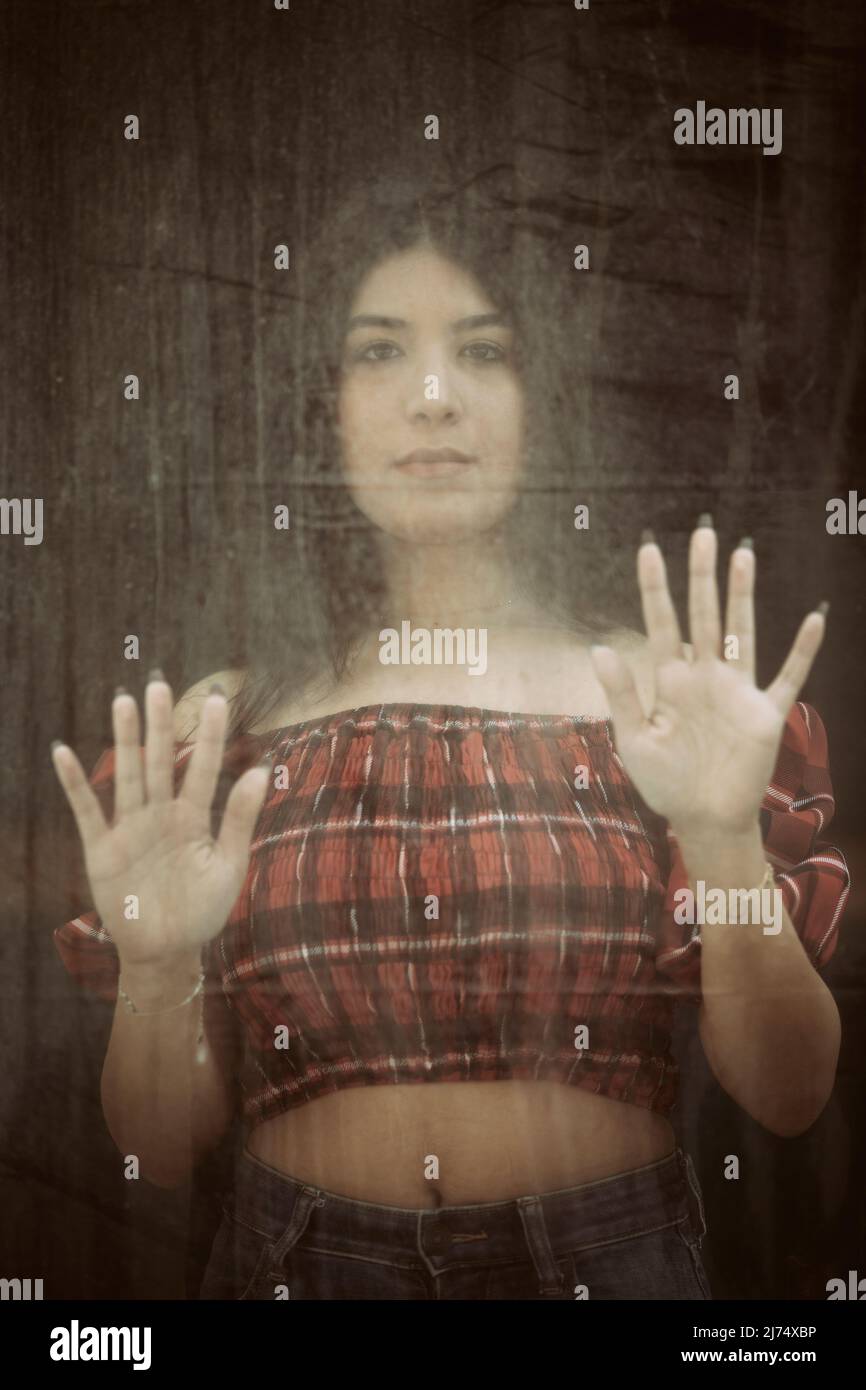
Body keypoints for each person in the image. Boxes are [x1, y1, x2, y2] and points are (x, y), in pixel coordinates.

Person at [51, 177, 850, 1300]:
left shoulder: (665, 701)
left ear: (547, 399)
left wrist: (719, 840)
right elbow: (158, 1150)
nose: (433, 397)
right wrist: (154, 963)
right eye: (378, 354)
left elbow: (789, 1092)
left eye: (483, 352)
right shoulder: (218, 734)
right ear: (316, 406)